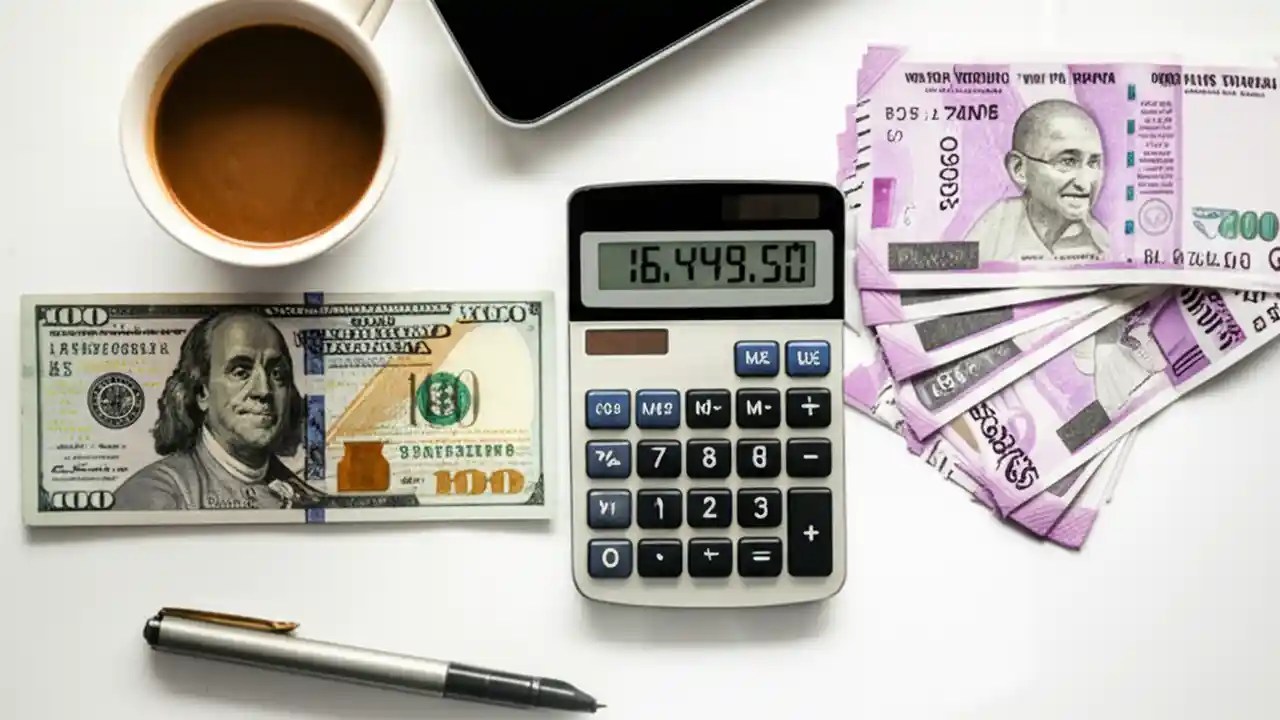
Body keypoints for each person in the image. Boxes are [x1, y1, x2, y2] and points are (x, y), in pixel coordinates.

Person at [113, 310, 325, 511]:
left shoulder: (310, 499)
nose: (264, 390)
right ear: (201, 392)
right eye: (241, 372)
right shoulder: (154, 495)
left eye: (277, 374)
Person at [965, 99, 1111, 263]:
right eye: (1067, 162)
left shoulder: (1105, 247)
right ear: (1019, 169)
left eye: (1093, 163)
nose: (1084, 184)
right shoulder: (995, 229)